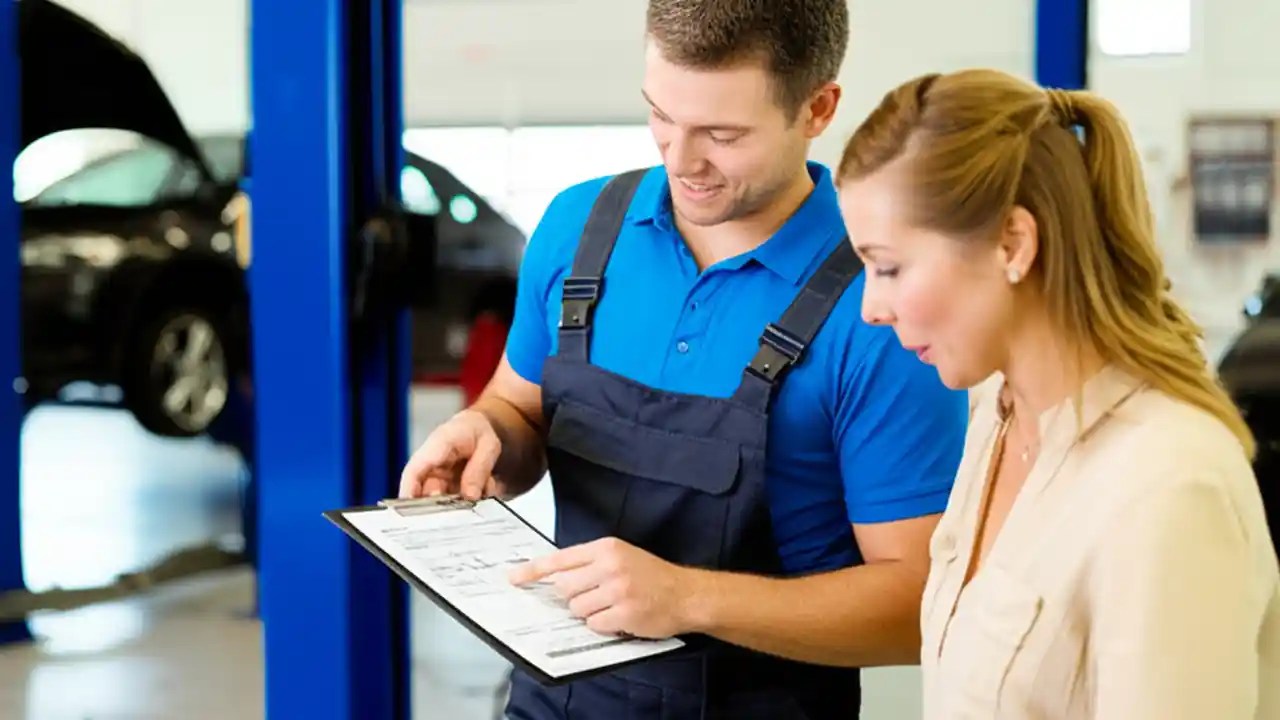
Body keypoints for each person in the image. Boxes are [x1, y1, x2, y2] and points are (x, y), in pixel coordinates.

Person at [399, 1, 969, 718]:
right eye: (661, 116)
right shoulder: (578, 228)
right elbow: (518, 406)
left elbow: (920, 602)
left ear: (818, 109)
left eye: (723, 134)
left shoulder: (879, 302)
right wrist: (488, 435)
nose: (680, 159)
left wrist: (688, 598)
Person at [836, 67, 1280, 719]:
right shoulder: (998, 418)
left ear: (1012, 243)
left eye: (890, 266)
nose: (871, 307)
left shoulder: (1169, 484)